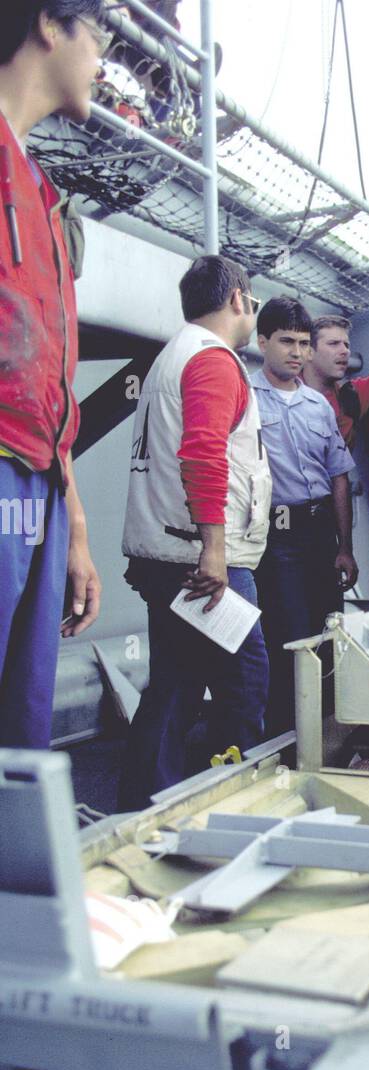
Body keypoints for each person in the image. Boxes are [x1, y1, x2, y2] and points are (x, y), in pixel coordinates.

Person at [117, 255, 271, 810]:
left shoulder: (172, 357)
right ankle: (228, 804)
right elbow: (203, 453)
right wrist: (215, 550)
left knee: (176, 685)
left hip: (166, 552)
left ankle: (142, 808)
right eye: (251, 303)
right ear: (237, 299)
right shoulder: (212, 360)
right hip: (199, 563)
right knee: (244, 681)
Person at [0, 0, 105, 753]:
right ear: (48, 22)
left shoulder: (38, 189)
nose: (104, 59)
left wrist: (73, 524)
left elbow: (49, 382)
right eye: (98, 33)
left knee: (22, 723)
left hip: (36, 479)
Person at [252, 297, 358, 735]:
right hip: (276, 536)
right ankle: (287, 738)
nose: (296, 352)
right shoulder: (246, 399)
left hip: (320, 536)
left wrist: (346, 549)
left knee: (328, 633)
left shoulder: (318, 407)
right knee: (289, 638)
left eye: (301, 343)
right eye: (285, 342)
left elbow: (339, 478)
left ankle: (328, 734)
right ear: (262, 343)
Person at [302, 313, 369, 452]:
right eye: (334, 343)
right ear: (309, 352)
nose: (345, 351)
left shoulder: (349, 396)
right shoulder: (284, 397)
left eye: (346, 345)